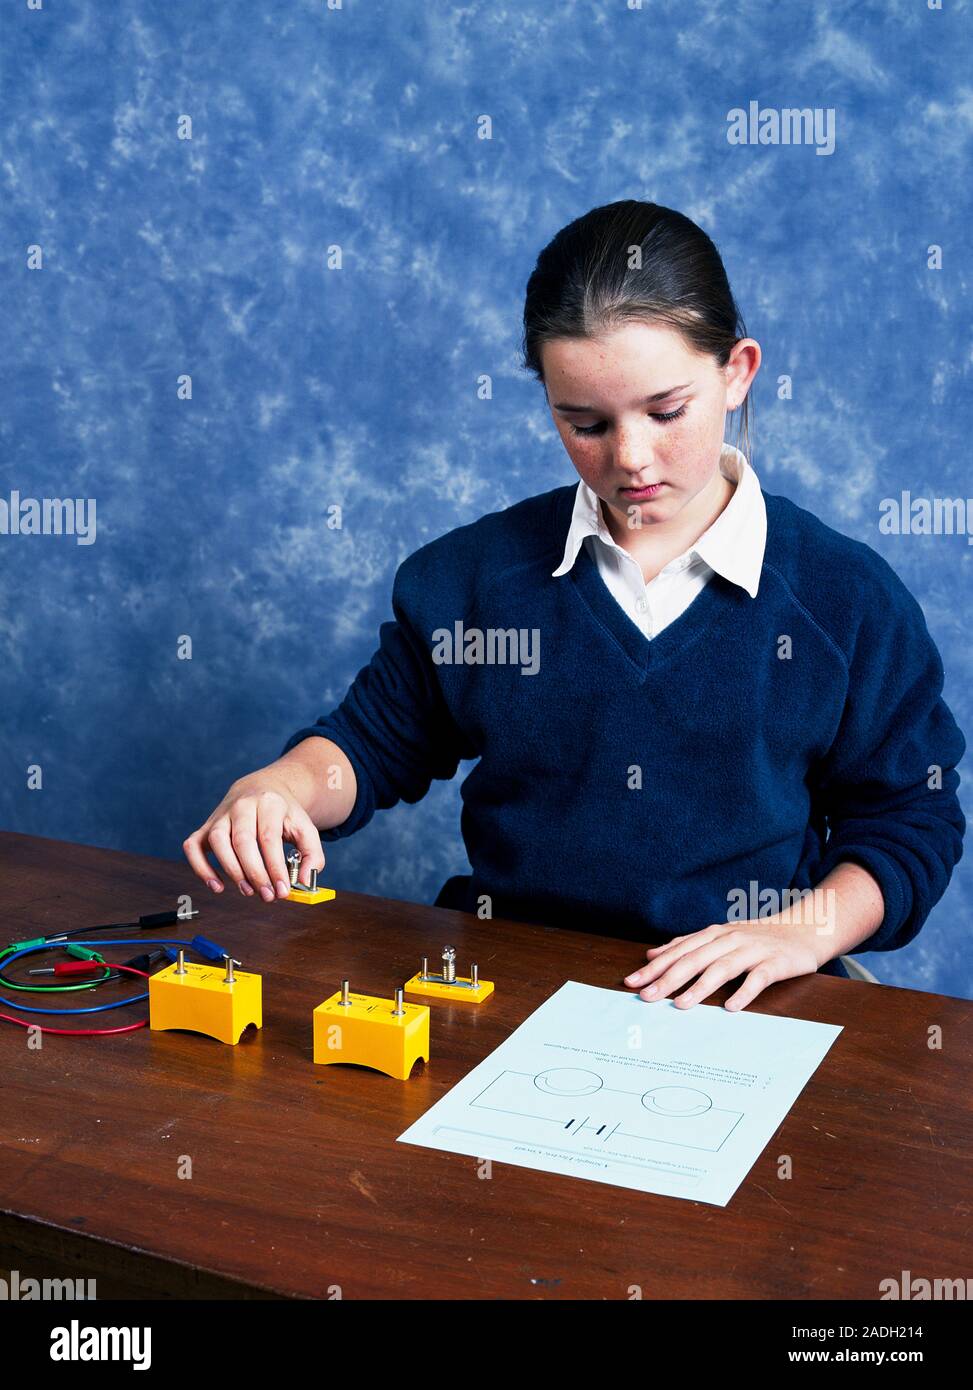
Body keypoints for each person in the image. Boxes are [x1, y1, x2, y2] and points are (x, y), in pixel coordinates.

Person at [182, 199, 966, 1011]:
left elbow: (911, 819)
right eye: (583, 422)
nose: (631, 458)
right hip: (510, 987)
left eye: (666, 412)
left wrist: (798, 933)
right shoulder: (475, 579)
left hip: (740, 1005)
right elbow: (369, 746)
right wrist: (278, 788)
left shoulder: (844, 601)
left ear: (736, 372)